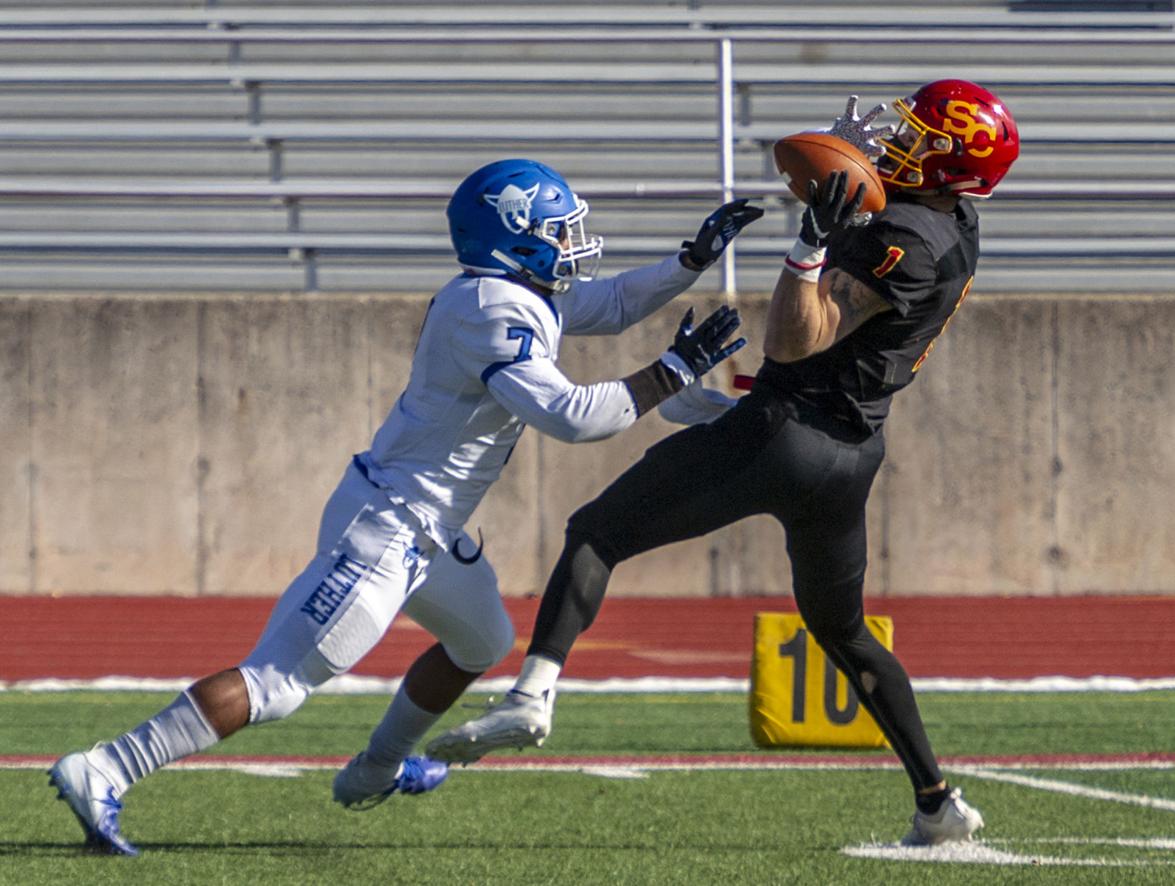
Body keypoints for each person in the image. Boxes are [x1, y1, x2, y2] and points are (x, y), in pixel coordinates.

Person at [47, 157, 761, 856]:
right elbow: (573, 417)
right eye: (556, 230)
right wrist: (670, 372)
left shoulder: (520, 291)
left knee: (480, 641)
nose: (572, 244)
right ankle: (108, 766)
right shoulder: (488, 307)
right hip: (389, 529)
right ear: (512, 236)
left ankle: (378, 767)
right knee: (279, 683)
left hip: (429, 527)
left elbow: (608, 305)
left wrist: (689, 261)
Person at [427, 81, 1021, 847]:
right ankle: (936, 801)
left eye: (916, 139)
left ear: (949, 169)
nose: (894, 143)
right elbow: (868, 203)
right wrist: (847, 165)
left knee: (598, 533)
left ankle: (532, 693)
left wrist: (808, 246)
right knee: (842, 632)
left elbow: (796, 339)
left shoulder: (902, 239)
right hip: (850, 450)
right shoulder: (957, 219)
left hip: (784, 434)